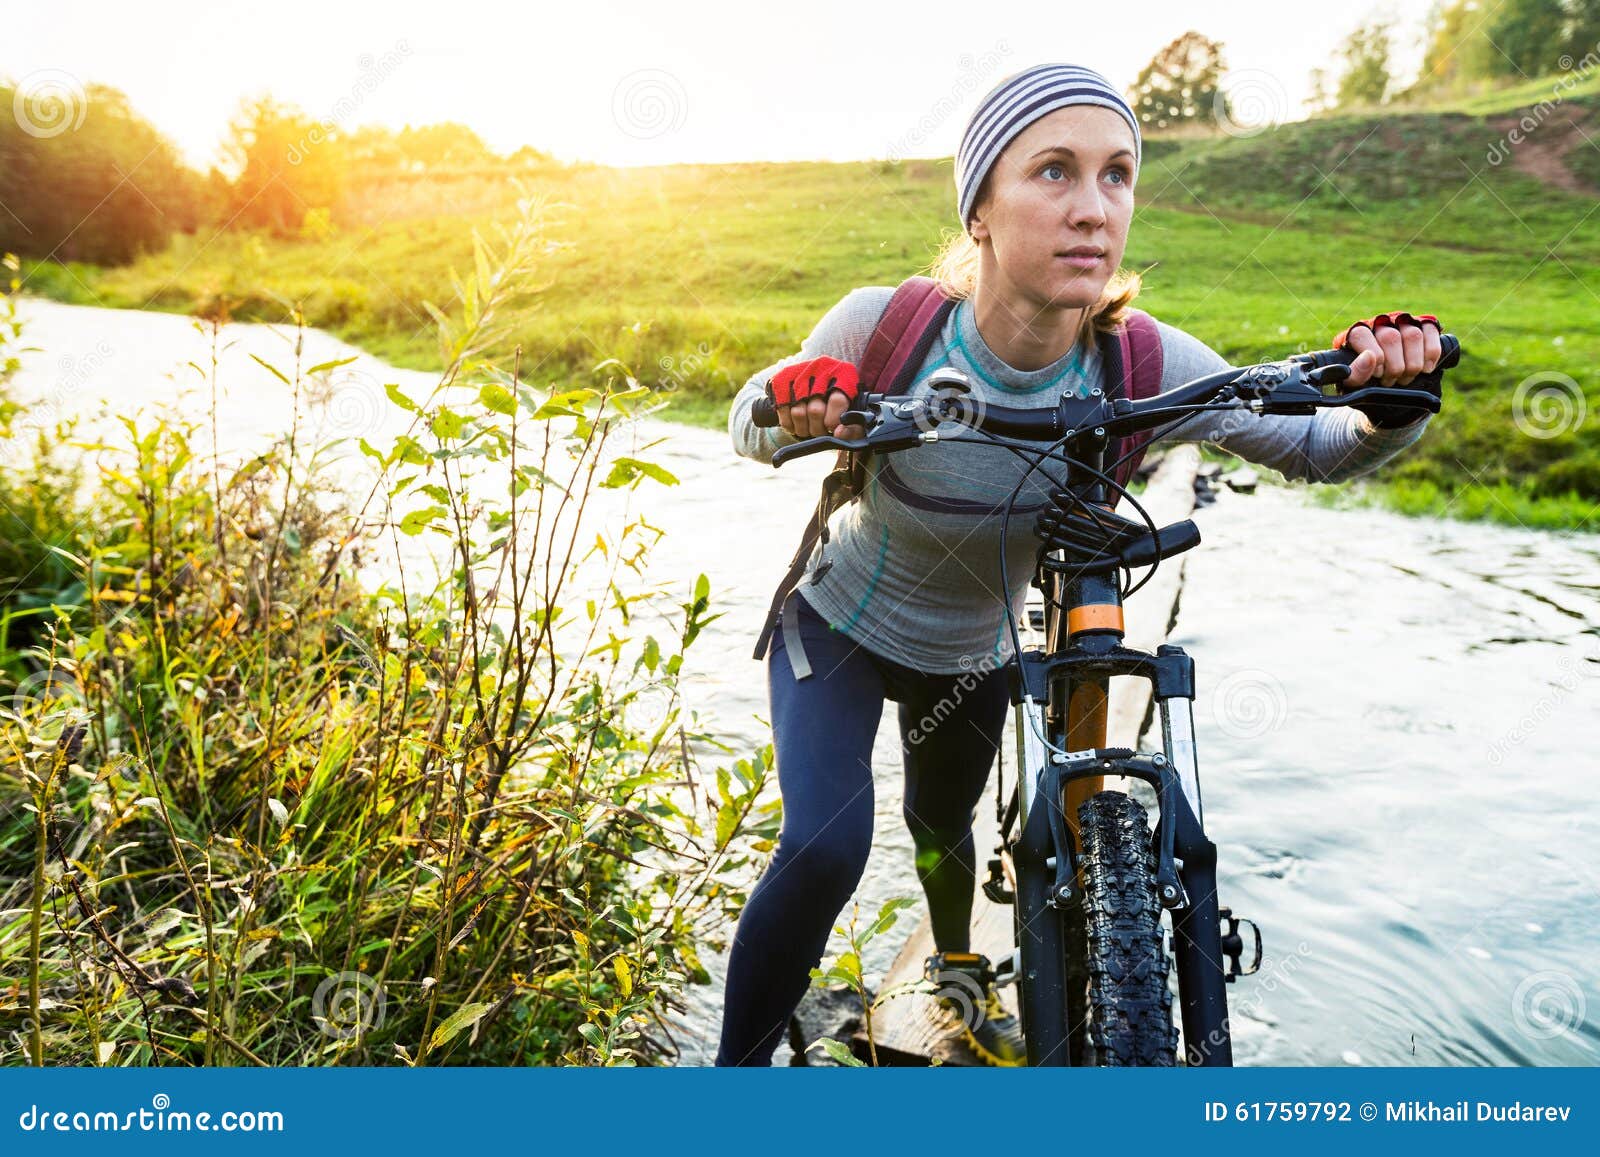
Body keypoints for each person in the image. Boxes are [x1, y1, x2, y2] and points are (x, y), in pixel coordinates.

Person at [717, 62, 1444, 1067]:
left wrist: (1387, 406)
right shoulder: (886, 327)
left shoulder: (1141, 365)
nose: (1092, 209)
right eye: (1052, 173)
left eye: (1116, 177)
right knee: (828, 842)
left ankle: (959, 957)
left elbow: (1320, 451)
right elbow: (748, 419)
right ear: (979, 210)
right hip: (833, 626)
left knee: (942, 822)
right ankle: (727, 1084)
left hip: (971, 654)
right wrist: (799, 398)